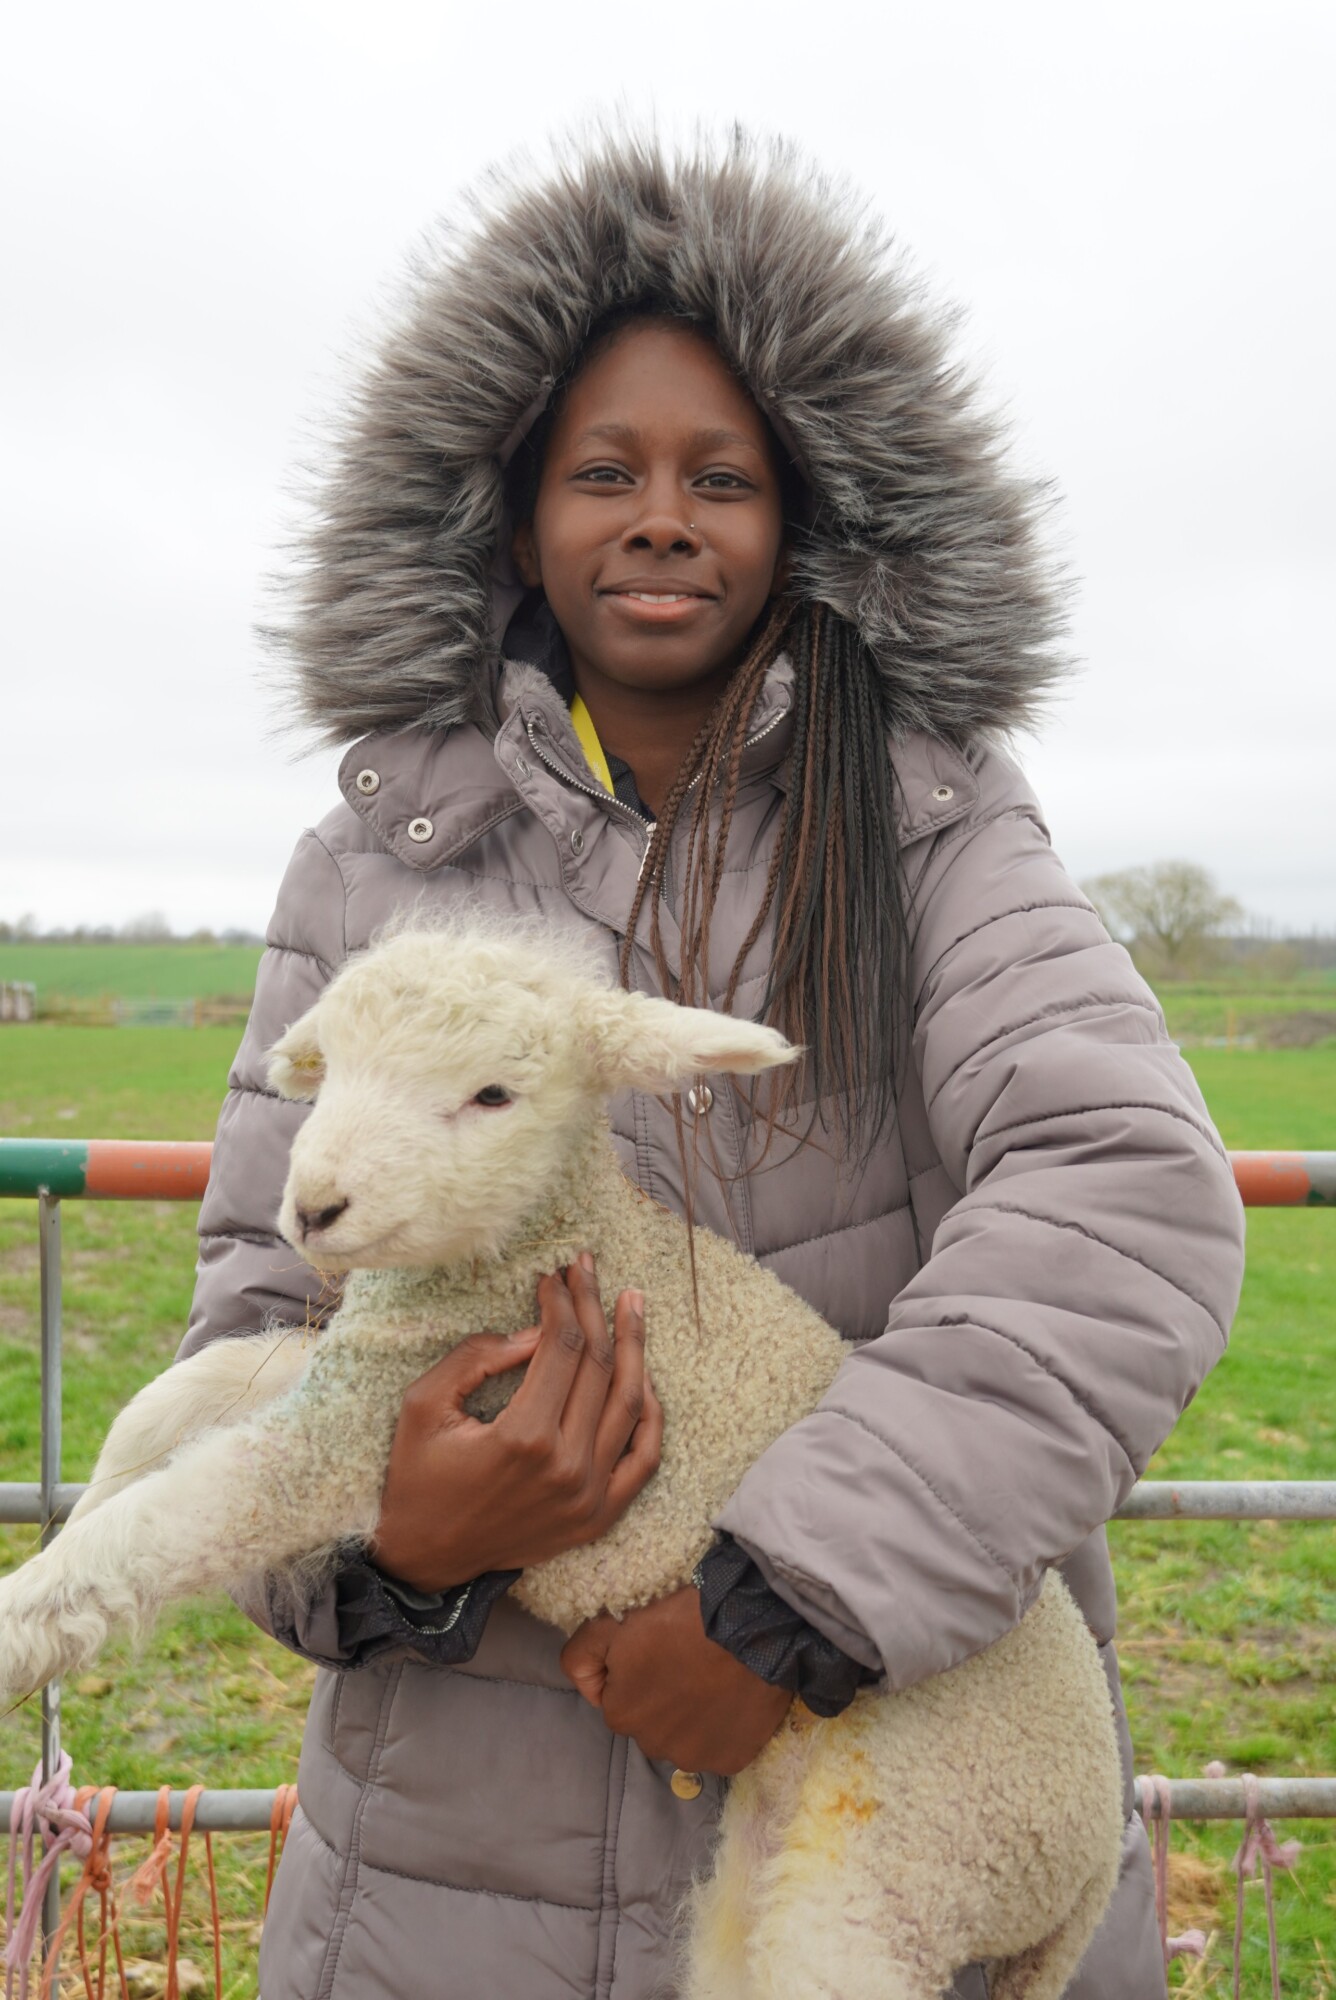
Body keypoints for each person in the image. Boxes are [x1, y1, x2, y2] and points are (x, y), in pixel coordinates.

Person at [181, 133, 1245, 1999]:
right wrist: (394, 1540)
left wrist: (786, 1609)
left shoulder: (934, 826)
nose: (660, 515)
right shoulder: (373, 865)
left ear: (803, 526)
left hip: (897, 1817)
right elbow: (263, 1303)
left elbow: (1123, 1193)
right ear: (516, 524)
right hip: (446, 1892)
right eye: (604, 471)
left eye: (720, 477)